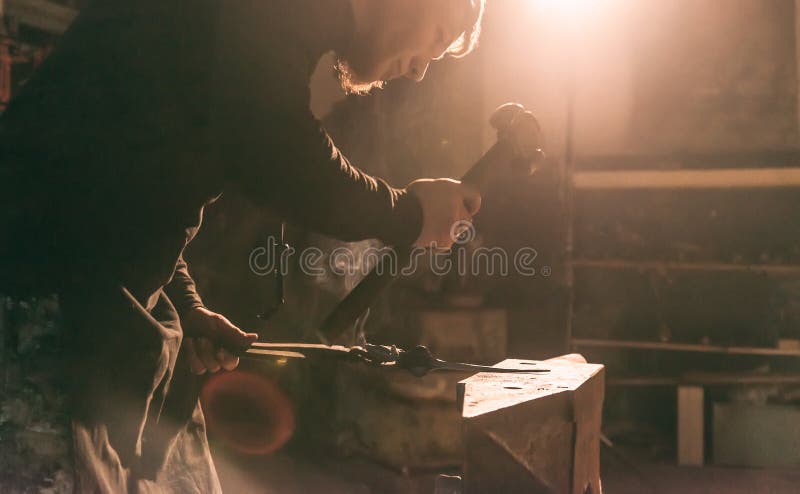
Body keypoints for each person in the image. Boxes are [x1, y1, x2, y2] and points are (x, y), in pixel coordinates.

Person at [0, 0, 485, 491]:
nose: (421, 70)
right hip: (36, 299)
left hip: (98, 303)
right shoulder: (268, 14)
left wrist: (185, 304)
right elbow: (274, 146)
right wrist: (407, 213)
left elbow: (141, 186)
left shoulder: (246, 37)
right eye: (436, 36)